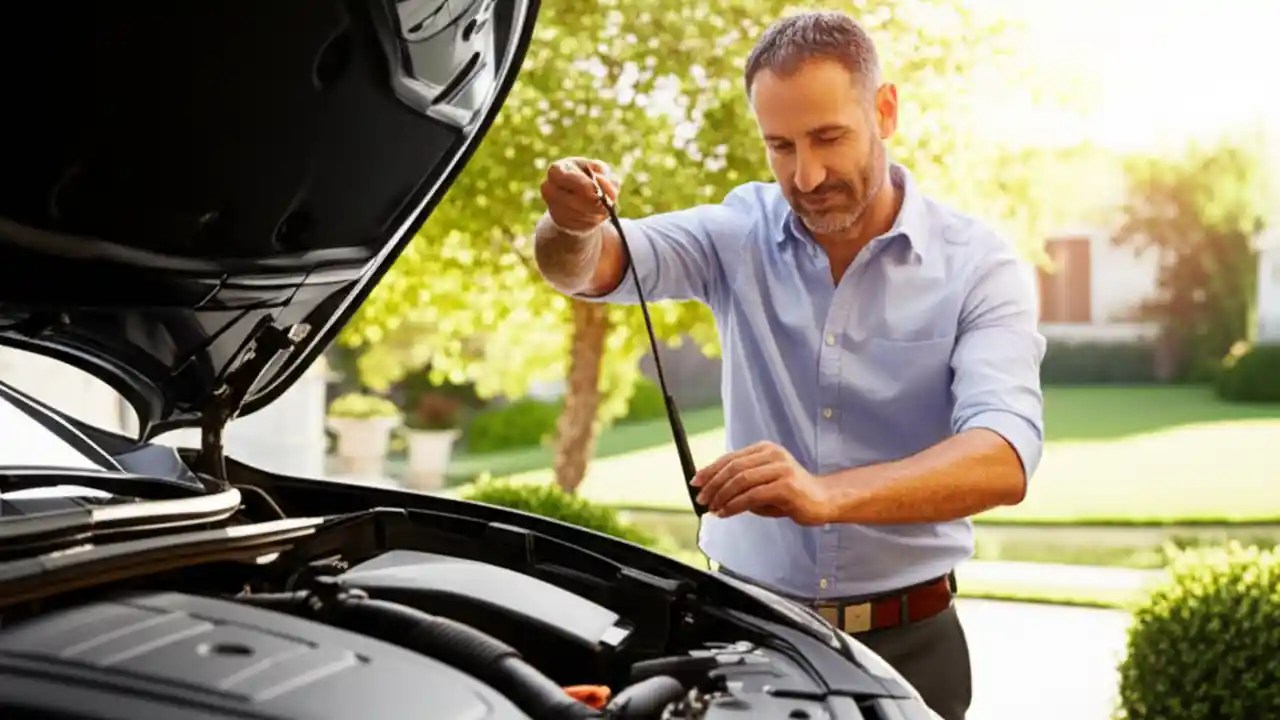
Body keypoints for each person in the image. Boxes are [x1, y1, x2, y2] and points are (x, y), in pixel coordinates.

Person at [531, 10, 1045, 720]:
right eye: (780, 146)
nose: (806, 174)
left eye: (829, 137)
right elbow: (586, 269)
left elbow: (1003, 457)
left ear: (885, 110)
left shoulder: (978, 267)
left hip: (912, 647)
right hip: (746, 631)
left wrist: (827, 494)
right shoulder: (736, 234)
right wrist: (569, 225)